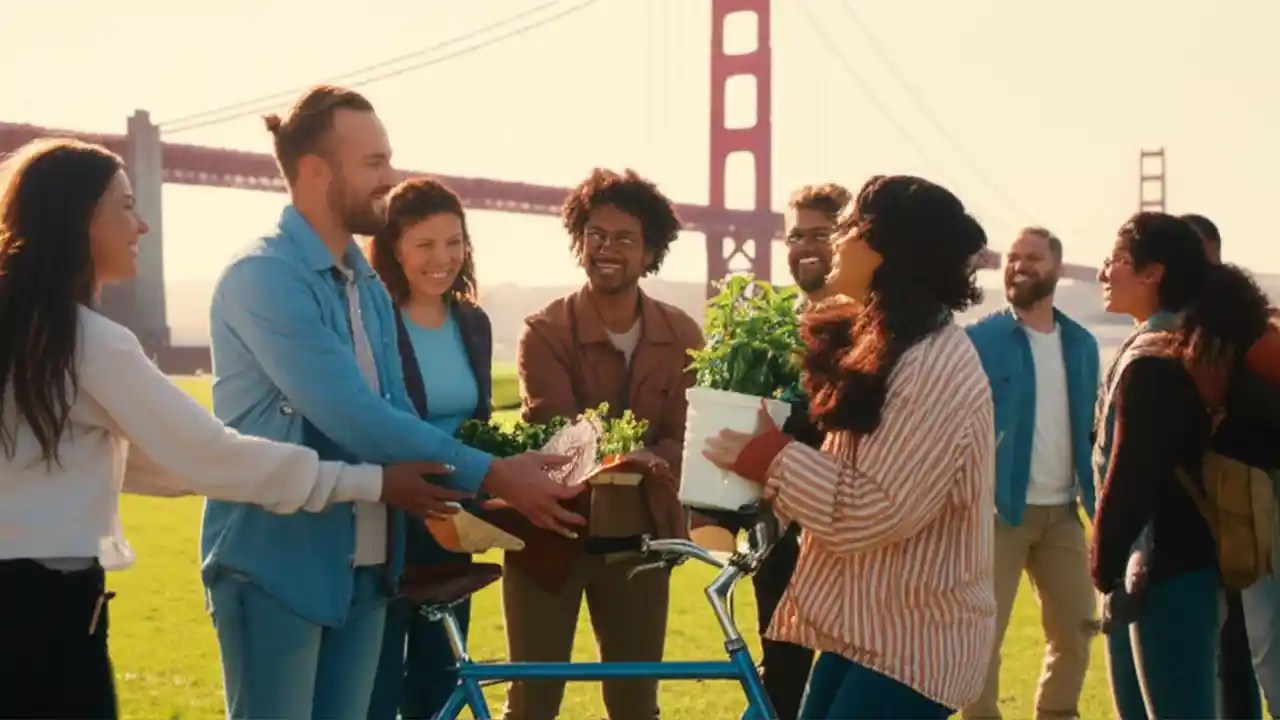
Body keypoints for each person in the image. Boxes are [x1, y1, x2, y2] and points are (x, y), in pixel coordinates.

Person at [0, 138, 466, 720]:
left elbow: (154, 463)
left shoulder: (29, 337)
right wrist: (370, 483)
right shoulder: (91, 342)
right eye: (124, 206)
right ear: (79, 220)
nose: (141, 224)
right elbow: (211, 455)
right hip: (48, 609)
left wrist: (238, 475)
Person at [201, 85, 582, 720]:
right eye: (374, 163)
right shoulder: (262, 277)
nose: (390, 177)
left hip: (370, 566)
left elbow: (398, 412)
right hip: (277, 566)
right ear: (318, 173)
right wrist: (493, 474)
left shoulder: (366, 284)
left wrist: (481, 485)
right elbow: (351, 413)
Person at [704, 174, 997, 719]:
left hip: (916, 642)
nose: (835, 238)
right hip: (871, 627)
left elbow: (874, 509)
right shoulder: (894, 346)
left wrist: (772, 458)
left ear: (890, 251)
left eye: (851, 226)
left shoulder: (932, 363)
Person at [507, 168, 702, 720]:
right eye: (595, 235)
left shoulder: (683, 334)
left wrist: (648, 460)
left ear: (650, 252)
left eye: (625, 239)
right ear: (578, 241)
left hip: (641, 542)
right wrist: (637, 456)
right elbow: (559, 435)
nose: (606, 249)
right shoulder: (544, 331)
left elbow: (686, 435)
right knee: (532, 701)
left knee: (636, 703)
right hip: (549, 534)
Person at [1091, 211, 1277, 718]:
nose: (1104, 272)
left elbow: (1131, 476)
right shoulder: (1205, 346)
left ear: (1153, 273)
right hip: (1199, 558)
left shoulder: (1157, 358)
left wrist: (1103, 564)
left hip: (1159, 566)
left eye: (1117, 260)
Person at [366, 178, 493, 719]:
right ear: (394, 248)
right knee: (374, 687)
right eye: (424, 244)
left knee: (440, 684)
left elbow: (478, 424)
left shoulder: (473, 322)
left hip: (452, 526)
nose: (443, 258)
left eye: (454, 242)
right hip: (386, 523)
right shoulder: (372, 321)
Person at [963, 227, 1100, 720]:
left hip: (1064, 512)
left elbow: (1092, 431)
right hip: (998, 511)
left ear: (1057, 269)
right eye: (1014, 257)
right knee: (982, 638)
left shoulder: (1082, 344)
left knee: (1077, 631)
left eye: (1034, 258)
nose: (1020, 265)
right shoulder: (977, 341)